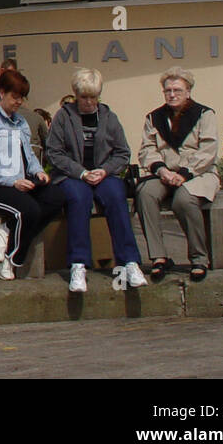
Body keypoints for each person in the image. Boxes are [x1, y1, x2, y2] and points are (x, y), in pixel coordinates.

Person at [45, 68, 148, 294]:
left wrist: (104, 170)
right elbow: (54, 152)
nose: (89, 102)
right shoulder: (63, 117)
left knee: (116, 195)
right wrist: (81, 172)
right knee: (78, 198)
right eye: (84, 97)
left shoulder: (109, 118)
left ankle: (129, 261)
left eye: (93, 97)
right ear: (76, 95)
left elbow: (122, 152)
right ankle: (78, 264)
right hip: (73, 175)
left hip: (103, 174)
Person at [0, 68, 66, 280]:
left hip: (18, 179)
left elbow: (28, 153)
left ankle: (7, 230)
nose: (19, 102)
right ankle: (11, 259)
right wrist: (13, 182)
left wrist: (38, 171)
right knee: (28, 211)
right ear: (1, 93)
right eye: (15, 96)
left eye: (22, 97)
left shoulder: (20, 121)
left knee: (56, 198)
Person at [135, 66, 220, 282]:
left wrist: (184, 174)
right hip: (165, 173)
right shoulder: (154, 117)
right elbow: (147, 149)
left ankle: (199, 258)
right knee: (145, 193)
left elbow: (208, 150)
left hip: (198, 173)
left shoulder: (204, 114)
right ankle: (158, 257)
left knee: (183, 200)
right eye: (168, 90)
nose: (172, 94)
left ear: (188, 91)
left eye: (177, 90)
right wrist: (161, 170)